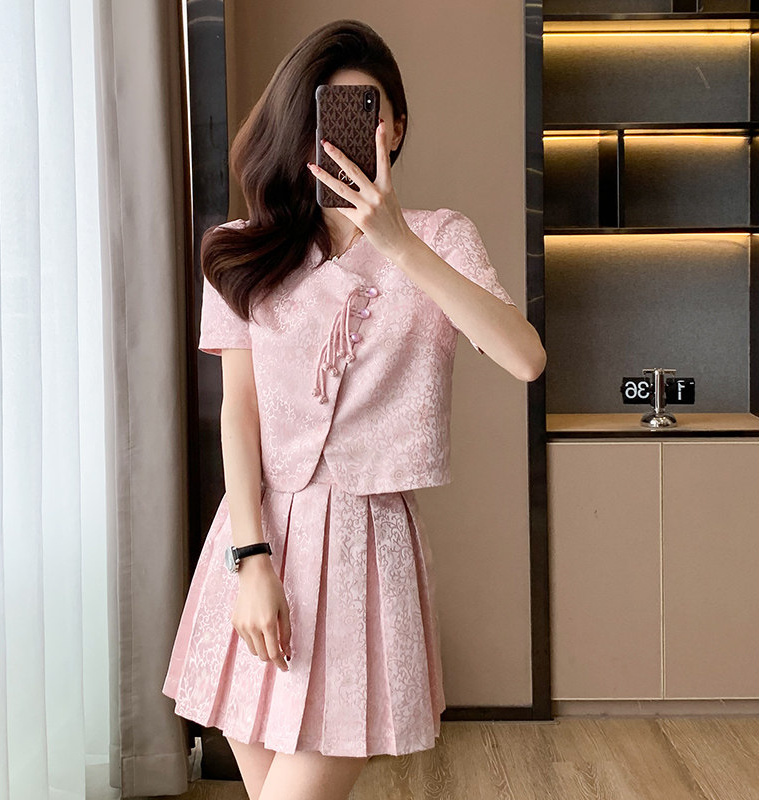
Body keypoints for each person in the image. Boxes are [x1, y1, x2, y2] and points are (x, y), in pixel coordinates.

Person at [161, 18, 546, 800]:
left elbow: (524, 357)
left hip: (367, 545)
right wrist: (251, 561)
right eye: (328, 112)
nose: (349, 131)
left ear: (395, 127)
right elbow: (240, 414)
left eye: (369, 111)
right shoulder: (243, 247)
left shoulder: (441, 237)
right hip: (257, 539)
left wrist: (398, 243)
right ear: (301, 126)